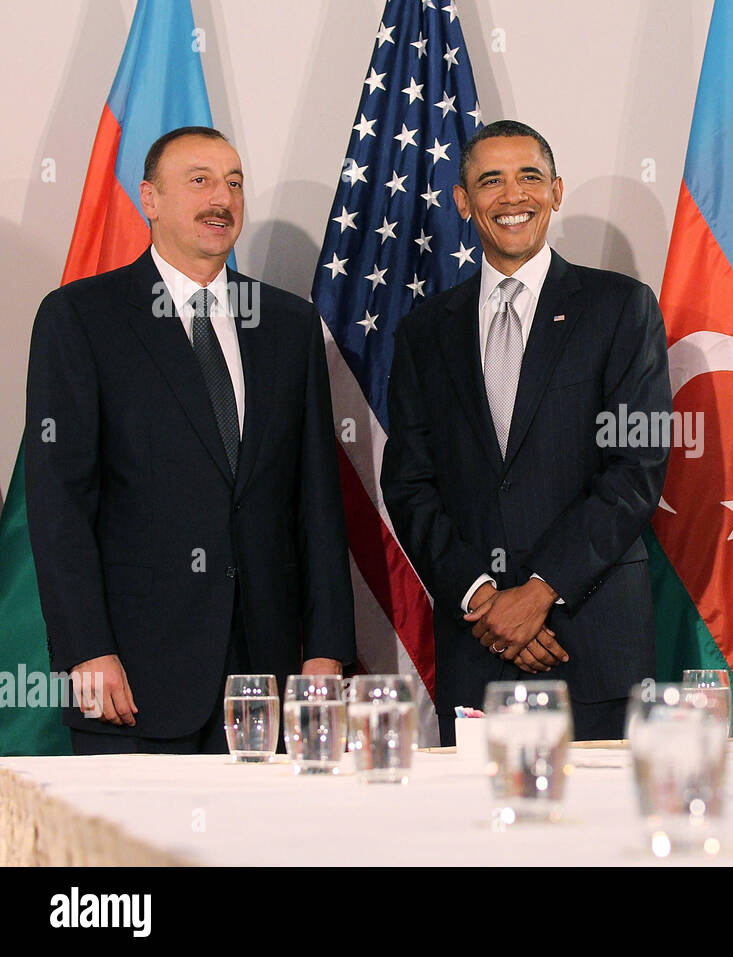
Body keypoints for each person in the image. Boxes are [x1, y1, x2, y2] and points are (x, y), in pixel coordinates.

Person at [25, 126, 355, 754]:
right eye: (199, 181)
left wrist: (329, 651)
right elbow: (59, 504)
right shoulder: (81, 318)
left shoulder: (287, 322)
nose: (221, 200)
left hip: (269, 681)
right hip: (131, 680)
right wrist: (87, 650)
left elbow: (316, 499)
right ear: (149, 199)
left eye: (233, 183)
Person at [381, 120, 671, 743]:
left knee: (603, 836)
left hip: (593, 642)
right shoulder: (425, 330)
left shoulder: (621, 307)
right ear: (463, 202)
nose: (513, 197)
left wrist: (539, 592)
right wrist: (483, 600)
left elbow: (635, 470)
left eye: (529, 177)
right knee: (485, 839)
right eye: (491, 181)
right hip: (477, 649)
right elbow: (408, 483)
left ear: (557, 191)